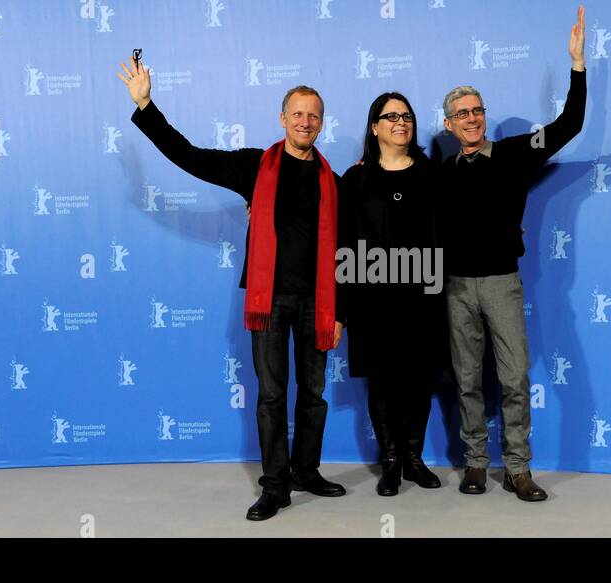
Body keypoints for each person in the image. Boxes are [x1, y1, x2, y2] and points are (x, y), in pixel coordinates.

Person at [118, 56, 346, 521]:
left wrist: (340, 312)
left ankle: (307, 471)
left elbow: (351, 246)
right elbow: (191, 156)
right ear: (282, 120)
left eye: (314, 115)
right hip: (270, 301)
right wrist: (147, 106)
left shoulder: (335, 182)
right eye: (297, 114)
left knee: (314, 394)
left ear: (322, 123)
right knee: (270, 395)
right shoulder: (254, 167)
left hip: (318, 304)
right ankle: (276, 486)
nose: (306, 121)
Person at [440, 6, 588, 502]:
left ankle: (519, 468)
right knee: (465, 381)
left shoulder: (513, 153)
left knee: (513, 378)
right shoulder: (440, 173)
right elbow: (388, 185)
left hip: (502, 282)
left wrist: (577, 66)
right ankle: (476, 464)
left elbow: (569, 124)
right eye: (463, 113)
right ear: (449, 123)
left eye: (478, 110)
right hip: (455, 287)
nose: (473, 118)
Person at [337, 93, 448, 496]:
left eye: (407, 116)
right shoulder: (356, 179)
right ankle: (390, 463)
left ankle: (415, 460)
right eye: (391, 116)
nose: (401, 122)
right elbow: (343, 241)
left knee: (418, 380)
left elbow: (450, 230)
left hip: (423, 296)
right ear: (374, 126)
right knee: (382, 383)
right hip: (372, 299)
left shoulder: (432, 174)